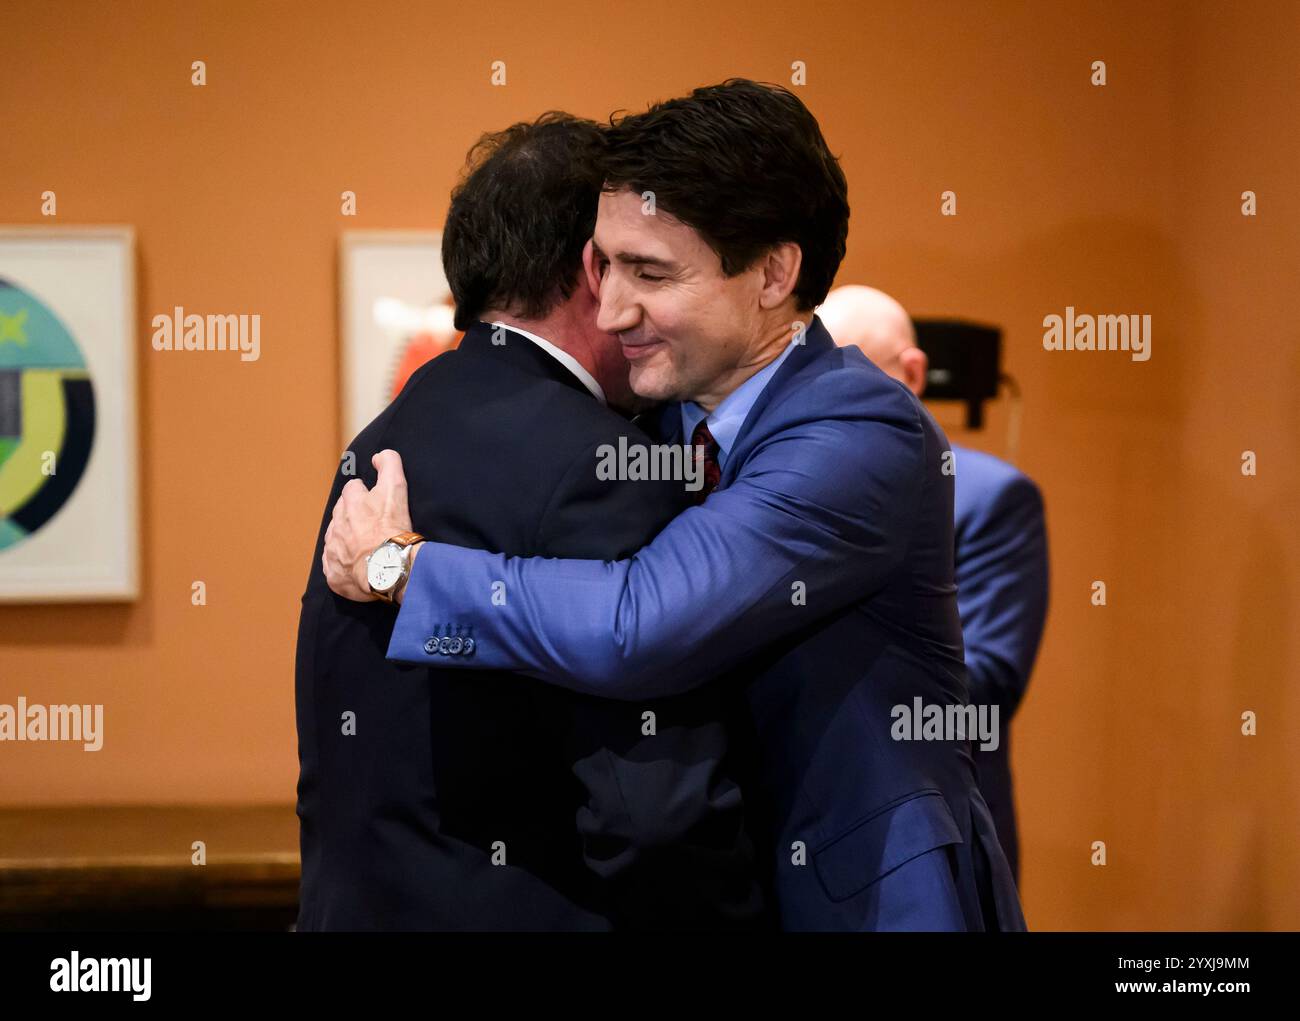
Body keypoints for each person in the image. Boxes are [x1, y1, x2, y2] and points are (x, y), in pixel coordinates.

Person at [322, 80, 1025, 931]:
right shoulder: (655, 420)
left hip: (870, 901)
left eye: (650, 273)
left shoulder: (861, 427)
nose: (613, 310)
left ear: (773, 273)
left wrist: (403, 565)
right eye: (605, 266)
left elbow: (640, 621)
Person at [295, 112, 767, 931]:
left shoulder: (384, 436)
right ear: (597, 269)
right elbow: (654, 815)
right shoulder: (601, 466)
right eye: (643, 267)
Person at [818, 284, 1050, 881]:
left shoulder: (989, 496)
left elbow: (988, 688)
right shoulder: (796, 483)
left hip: (935, 823)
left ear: (913, 372)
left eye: (848, 377)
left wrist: (814, 690)